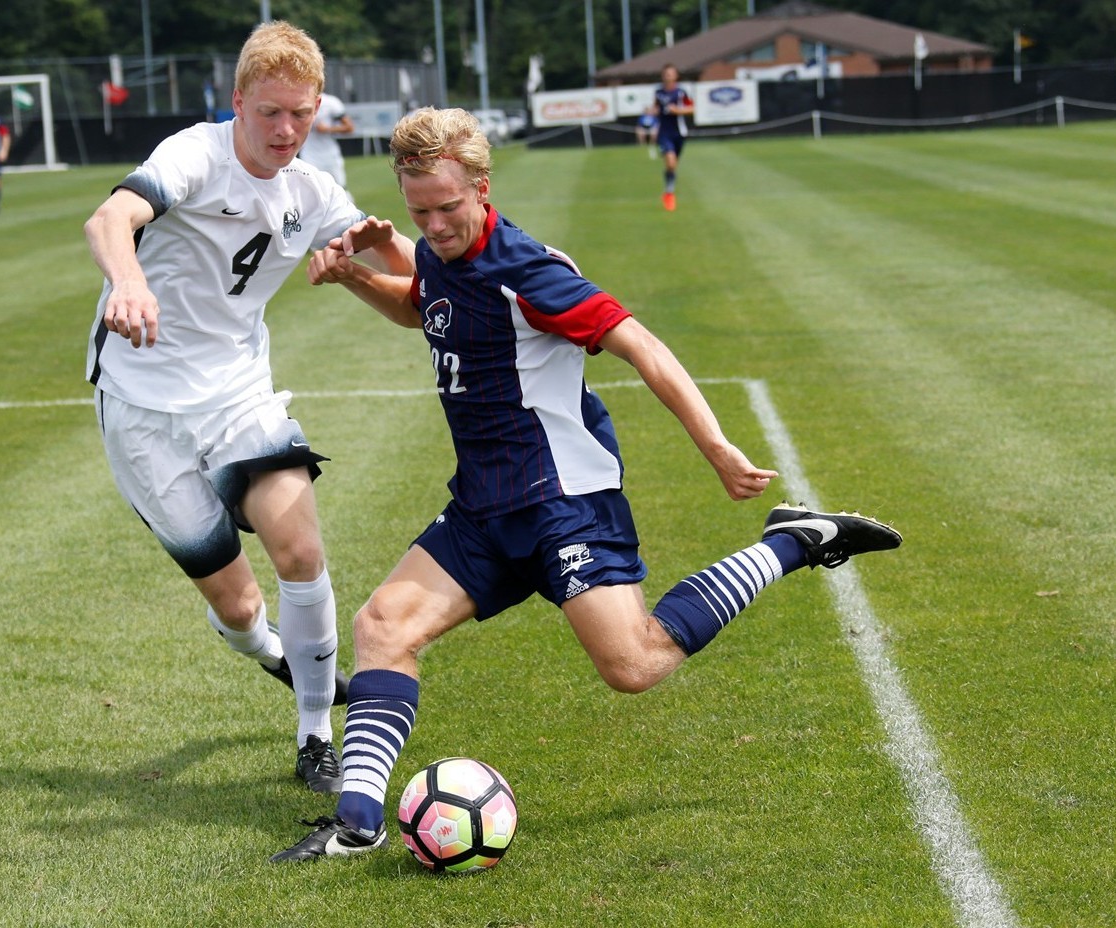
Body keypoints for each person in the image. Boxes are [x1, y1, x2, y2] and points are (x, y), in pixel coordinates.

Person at [270, 106, 901, 861]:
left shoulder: (526, 270)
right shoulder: (440, 250)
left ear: (481, 186)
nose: (433, 226)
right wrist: (354, 274)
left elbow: (644, 345)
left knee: (633, 664)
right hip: (482, 504)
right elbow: (424, 311)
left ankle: (793, 542)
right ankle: (357, 824)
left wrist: (717, 446)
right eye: (419, 212)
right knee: (383, 627)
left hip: (563, 501)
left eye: (446, 208)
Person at [82, 21, 416, 795]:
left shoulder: (312, 190)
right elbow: (110, 220)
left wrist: (385, 250)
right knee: (237, 608)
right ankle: (265, 647)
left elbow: (406, 274)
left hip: (237, 394)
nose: (285, 130)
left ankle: (314, 733)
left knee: (300, 550)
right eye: (269, 112)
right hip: (142, 403)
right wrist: (128, 282)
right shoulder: (194, 155)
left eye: (301, 113)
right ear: (238, 102)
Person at [650, 65, 693, 211]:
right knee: (670, 163)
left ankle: (669, 186)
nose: (668, 76)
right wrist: (651, 112)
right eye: (665, 74)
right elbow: (655, 108)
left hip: (679, 132)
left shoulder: (681, 93)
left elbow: (692, 108)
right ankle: (669, 193)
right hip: (664, 133)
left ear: (676, 76)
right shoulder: (658, 93)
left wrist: (678, 110)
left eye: (670, 73)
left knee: (673, 165)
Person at [297, 91, 354, 190]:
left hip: (330, 154)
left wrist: (327, 129)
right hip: (309, 154)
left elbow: (349, 128)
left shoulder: (331, 102)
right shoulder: (298, 101)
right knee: (311, 189)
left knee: (340, 188)